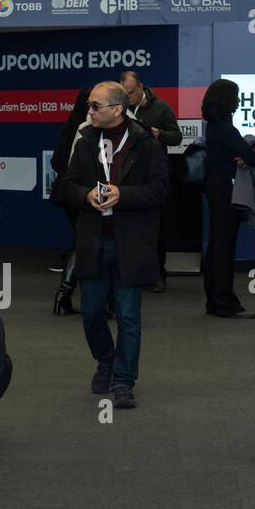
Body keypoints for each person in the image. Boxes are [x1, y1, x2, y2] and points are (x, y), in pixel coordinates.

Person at [59, 80, 170, 409]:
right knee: (91, 313)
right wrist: (84, 194)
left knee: (128, 316)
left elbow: (162, 189)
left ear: (118, 109)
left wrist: (125, 195)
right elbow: (66, 185)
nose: (88, 111)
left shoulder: (145, 143)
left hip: (131, 243)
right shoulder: (85, 140)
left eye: (95, 106)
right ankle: (106, 360)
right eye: (89, 105)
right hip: (93, 241)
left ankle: (124, 380)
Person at [201, 78, 255, 318]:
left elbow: (244, 154)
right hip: (225, 190)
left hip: (216, 188)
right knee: (224, 247)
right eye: (236, 96)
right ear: (226, 100)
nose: (239, 101)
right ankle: (223, 303)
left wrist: (247, 155)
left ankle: (215, 300)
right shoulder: (224, 128)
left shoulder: (215, 125)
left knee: (218, 245)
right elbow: (251, 157)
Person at [120, 71, 182, 292]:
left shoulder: (161, 107)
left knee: (156, 228)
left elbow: (177, 137)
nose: (127, 98)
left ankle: (158, 275)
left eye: (130, 93)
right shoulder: (119, 109)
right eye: (123, 94)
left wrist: (158, 133)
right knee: (130, 228)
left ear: (141, 87)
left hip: (155, 175)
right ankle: (132, 274)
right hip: (127, 176)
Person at [48, 88, 91, 315]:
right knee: (85, 241)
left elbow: (56, 161)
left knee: (81, 241)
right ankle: (66, 295)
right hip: (82, 193)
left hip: (65, 192)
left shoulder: (70, 125)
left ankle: (64, 295)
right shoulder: (88, 129)